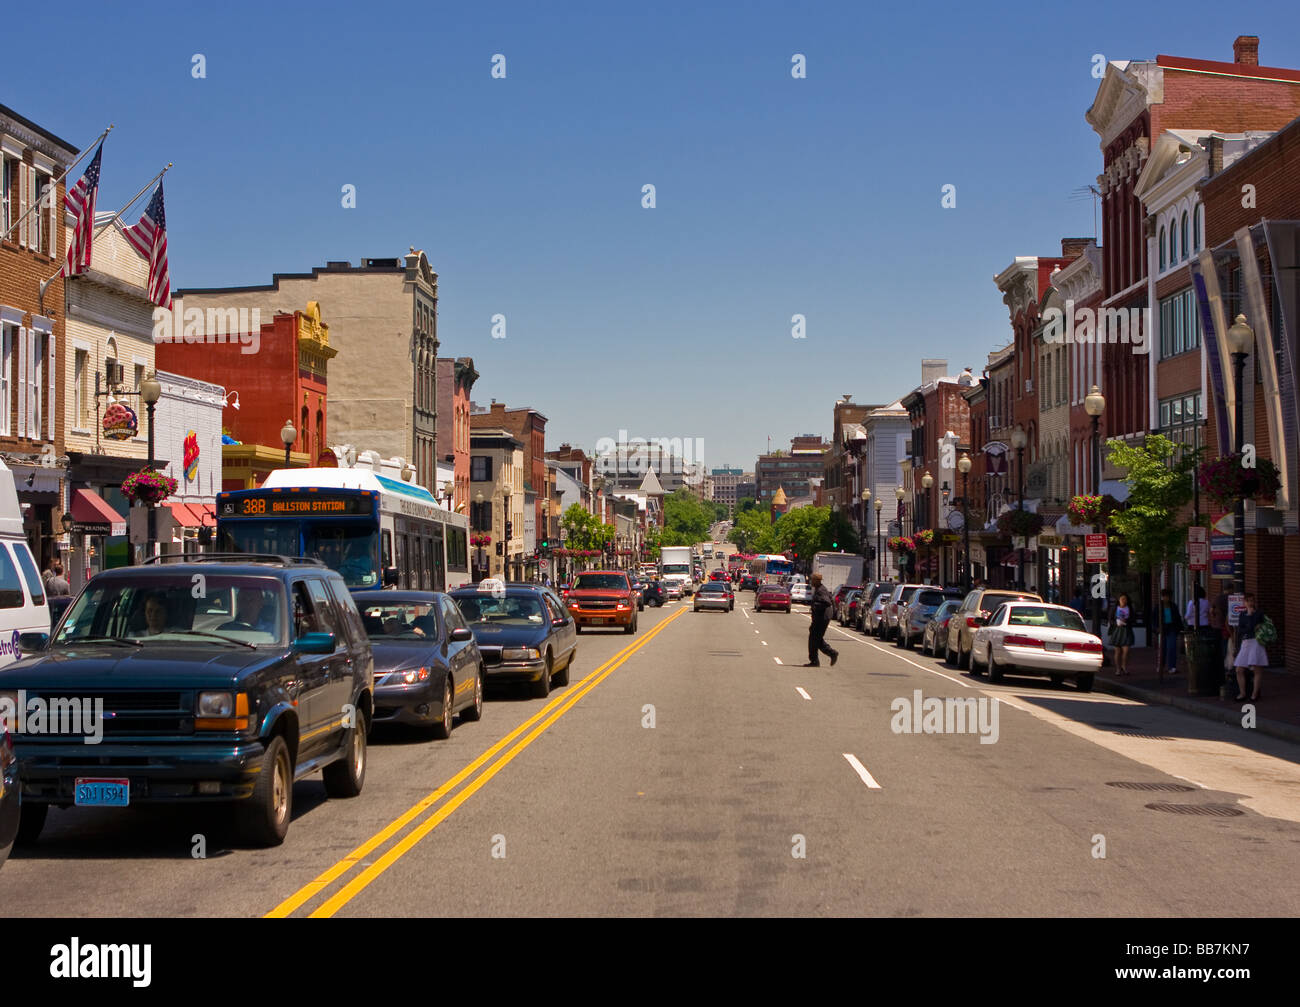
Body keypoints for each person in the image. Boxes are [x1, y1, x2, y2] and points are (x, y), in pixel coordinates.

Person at [1233, 593, 1267, 701]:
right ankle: (1242, 693)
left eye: (1252, 600)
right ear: (1244, 603)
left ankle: (1254, 694)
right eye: (1247, 601)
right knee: (1239, 669)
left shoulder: (1259, 614)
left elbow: (1255, 627)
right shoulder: (1242, 615)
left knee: (1256, 669)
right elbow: (1240, 630)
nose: (1250, 603)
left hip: (1256, 642)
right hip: (1246, 642)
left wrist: (1251, 616)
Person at [805, 572, 838, 667]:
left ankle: (830, 653)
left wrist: (815, 606)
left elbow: (827, 602)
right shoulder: (821, 589)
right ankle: (816, 660)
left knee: (814, 639)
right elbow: (831, 599)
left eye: (812, 580)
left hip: (821, 618)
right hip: (821, 618)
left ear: (816, 581)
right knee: (815, 638)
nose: (811, 581)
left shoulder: (821, 591)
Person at [1157, 588, 1183, 674]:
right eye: (1165, 597)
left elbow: (1177, 618)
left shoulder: (1173, 606)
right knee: (1162, 649)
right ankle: (1161, 666)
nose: (1166, 598)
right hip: (1162, 629)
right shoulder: (1159, 607)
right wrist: (1156, 628)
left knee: (1171, 648)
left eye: (1168, 597)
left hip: (1171, 629)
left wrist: (1179, 628)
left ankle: (1172, 666)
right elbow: (1154, 618)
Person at [1110, 593, 1134, 675]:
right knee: (1117, 651)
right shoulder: (1115, 608)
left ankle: (1124, 666)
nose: (1123, 601)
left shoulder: (1129, 608)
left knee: (1126, 651)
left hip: (1126, 631)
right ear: (1119, 600)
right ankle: (1118, 669)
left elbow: (1133, 619)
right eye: (1121, 599)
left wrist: (1127, 621)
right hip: (1117, 630)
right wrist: (1115, 623)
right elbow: (1110, 619)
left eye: (1125, 599)